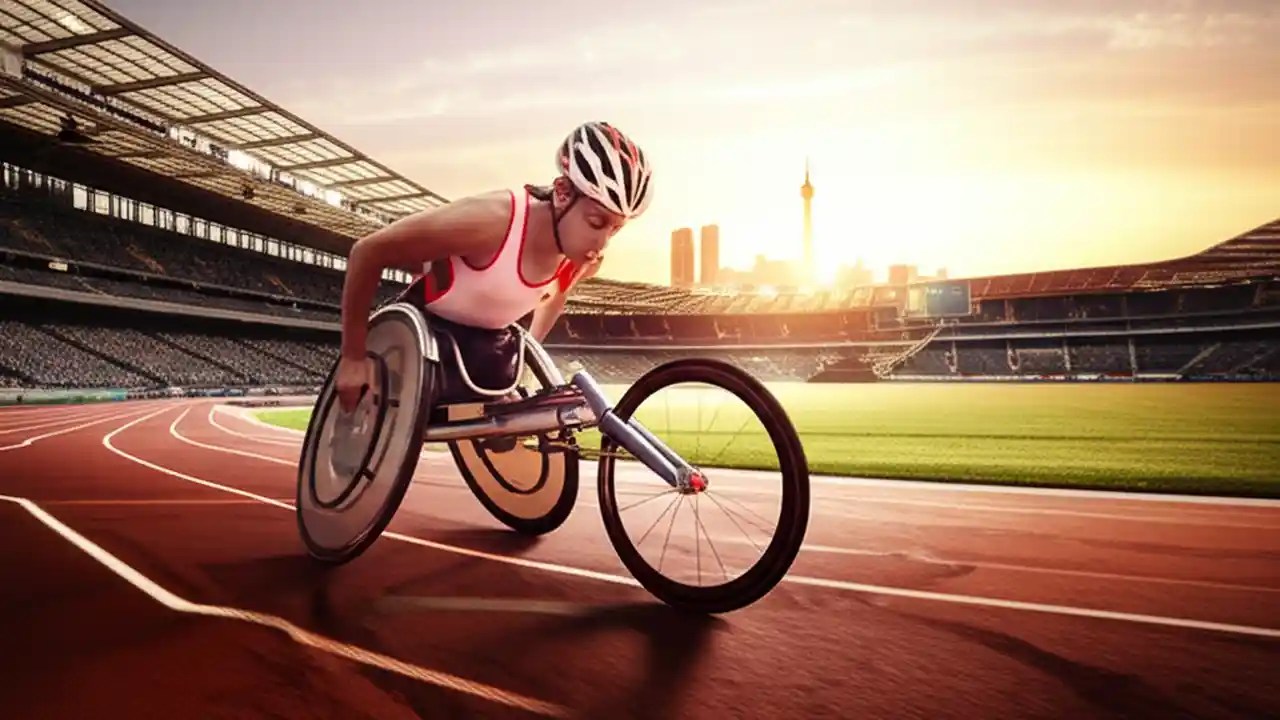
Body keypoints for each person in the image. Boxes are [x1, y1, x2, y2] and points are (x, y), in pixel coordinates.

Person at [334, 121, 653, 412]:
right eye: (596, 221)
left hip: (488, 347)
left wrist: (527, 362)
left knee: (508, 411)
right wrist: (352, 358)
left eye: (615, 229)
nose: (603, 242)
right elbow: (367, 252)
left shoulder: (583, 259)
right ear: (562, 192)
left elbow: (556, 298)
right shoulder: (491, 221)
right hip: (424, 332)